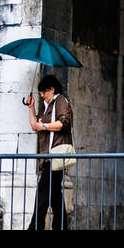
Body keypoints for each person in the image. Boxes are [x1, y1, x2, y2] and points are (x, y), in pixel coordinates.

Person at [26, 74, 72, 230]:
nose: (42, 95)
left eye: (44, 92)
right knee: (54, 195)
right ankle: (61, 226)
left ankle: (34, 227)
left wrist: (44, 126)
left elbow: (63, 123)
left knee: (43, 194)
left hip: (55, 155)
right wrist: (31, 107)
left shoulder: (60, 101)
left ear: (52, 89)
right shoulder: (46, 106)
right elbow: (34, 125)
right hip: (48, 157)